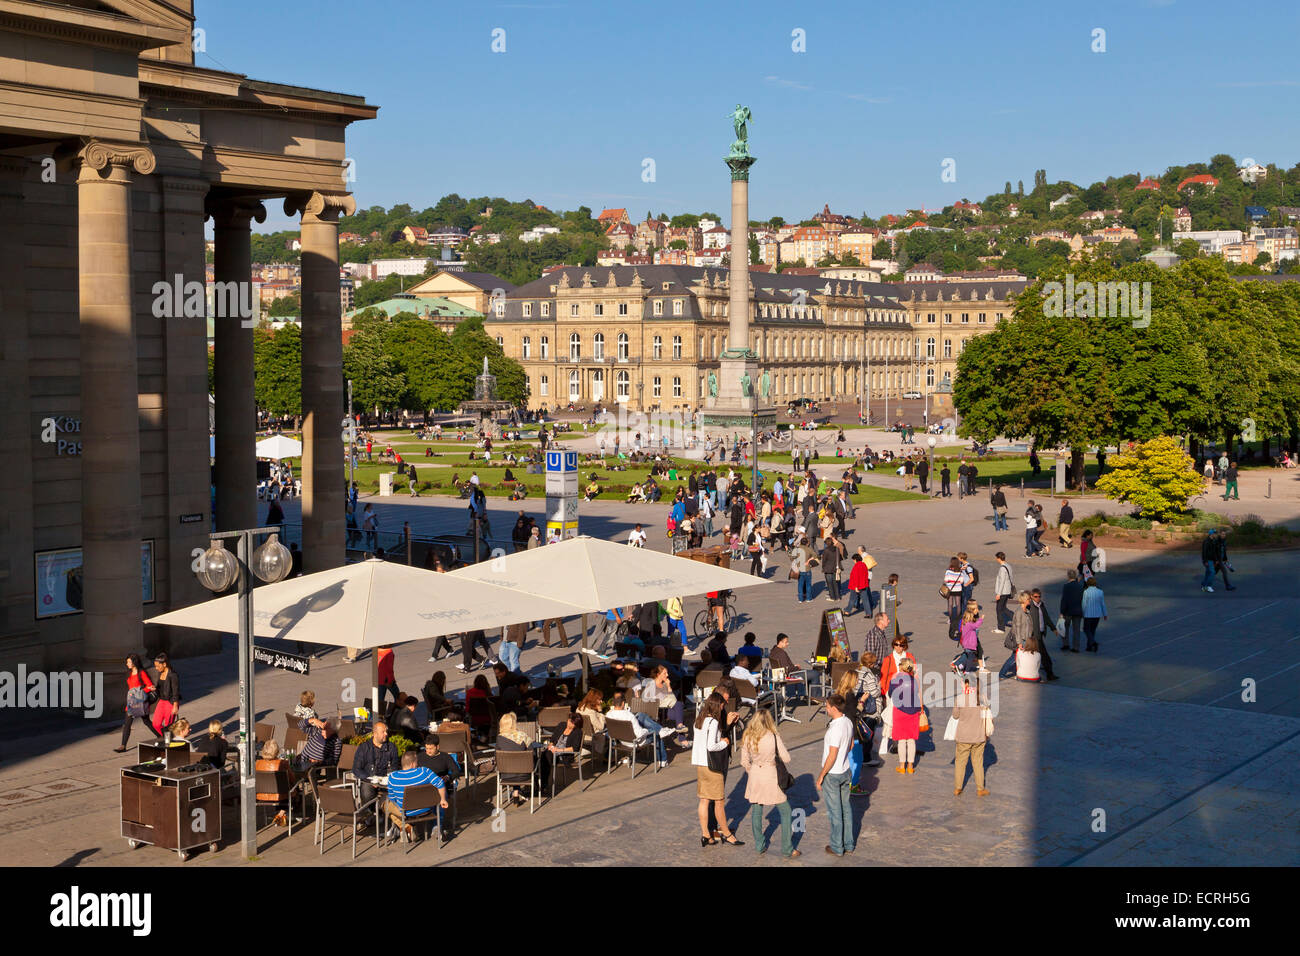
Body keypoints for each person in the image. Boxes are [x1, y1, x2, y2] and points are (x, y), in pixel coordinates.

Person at [740, 710, 800, 858]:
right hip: (770, 775)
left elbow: (744, 761)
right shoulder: (773, 736)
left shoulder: (748, 736)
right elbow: (786, 758)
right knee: (785, 811)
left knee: (756, 810)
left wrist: (752, 770)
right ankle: (787, 848)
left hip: (755, 774)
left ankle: (759, 845)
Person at [692, 692, 742, 846]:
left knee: (704, 800)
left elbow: (703, 742)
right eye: (721, 706)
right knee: (719, 801)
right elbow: (712, 746)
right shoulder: (713, 722)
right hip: (712, 766)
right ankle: (726, 833)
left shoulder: (699, 720)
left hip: (700, 764)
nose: (722, 708)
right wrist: (725, 742)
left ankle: (706, 834)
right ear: (716, 706)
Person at [816, 694, 855, 857]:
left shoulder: (835, 729)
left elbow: (832, 755)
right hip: (846, 770)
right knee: (846, 809)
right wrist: (842, 758)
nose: (826, 709)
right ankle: (849, 843)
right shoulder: (848, 722)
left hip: (832, 774)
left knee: (835, 812)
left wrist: (821, 776)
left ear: (833, 708)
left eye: (827, 706)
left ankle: (837, 846)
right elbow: (851, 744)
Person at [385, 751, 448, 844]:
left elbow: (393, 798)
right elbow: (440, 783)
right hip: (427, 809)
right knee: (441, 794)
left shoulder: (392, 777)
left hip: (406, 813)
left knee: (387, 805)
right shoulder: (424, 771)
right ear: (413, 763)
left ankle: (404, 828)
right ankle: (437, 826)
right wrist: (443, 799)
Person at [605, 693, 674, 768]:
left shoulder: (608, 715)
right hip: (634, 742)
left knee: (641, 715)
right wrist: (647, 730)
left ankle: (661, 730)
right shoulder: (629, 716)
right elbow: (639, 734)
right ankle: (663, 761)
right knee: (657, 734)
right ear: (623, 703)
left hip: (622, 741)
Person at [952, 676, 991, 796]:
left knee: (960, 762)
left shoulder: (960, 698)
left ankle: (958, 788)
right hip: (979, 736)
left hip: (963, 736)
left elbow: (955, 716)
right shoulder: (983, 698)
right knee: (978, 762)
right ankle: (980, 789)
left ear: (967, 684)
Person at [115, 654, 159, 752]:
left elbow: (150, 686)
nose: (127, 664)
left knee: (146, 721)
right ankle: (123, 746)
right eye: (127, 662)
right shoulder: (129, 673)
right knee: (127, 724)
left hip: (140, 702)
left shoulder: (141, 673)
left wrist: (140, 692)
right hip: (131, 702)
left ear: (134, 662)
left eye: (129, 662)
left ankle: (160, 736)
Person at [353, 720, 401, 807]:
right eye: (383, 732)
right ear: (375, 734)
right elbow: (356, 769)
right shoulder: (364, 747)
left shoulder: (391, 747)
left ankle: (385, 813)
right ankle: (371, 814)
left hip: (386, 780)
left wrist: (388, 778)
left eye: (386, 731)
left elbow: (395, 766)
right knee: (366, 792)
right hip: (369, 780)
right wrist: (370, 779)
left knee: (395, 792)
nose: (386, 734)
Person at [888, 659, 922, 773]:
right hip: (913, 710)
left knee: (902, 740)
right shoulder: (915, 679)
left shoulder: (896, 678)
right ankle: (911, 766)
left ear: (902, 667)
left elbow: (890, 693)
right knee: (911, 740)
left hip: (900, 711)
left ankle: (902, 766)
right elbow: (918, 694)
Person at [255, 740, 295, 826]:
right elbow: (292, 779)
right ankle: (281, 815)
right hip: (281, 795)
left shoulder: (257, 763)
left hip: (261, 795)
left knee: (283, 788)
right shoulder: (282, 763)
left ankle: (280, 815)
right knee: (295, 790)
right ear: (276, 751)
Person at [999, 591, 1037, 679]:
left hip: (1026, 638)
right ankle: (1002, 673)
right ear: (1024, 600)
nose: (1030, 600)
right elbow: (1018, 628)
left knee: (1017, 657)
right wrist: (1019, 642)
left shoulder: (1026, 611)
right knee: (1014, 658)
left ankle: (1019, 673)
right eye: (1028, 599)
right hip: (1021, 639)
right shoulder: (1019, 612)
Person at [150, 652, 180, 735]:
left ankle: (168, 740)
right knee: (155, 724)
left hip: (170, 702)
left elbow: (176, 692)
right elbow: (160, 687)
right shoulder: (160, 673)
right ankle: (166, 737)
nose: (156, 668)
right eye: (155, 666)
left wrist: (175, 706)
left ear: (164, 664)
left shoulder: (173, 675)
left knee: (168, 725)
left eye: (157, 666)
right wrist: (155, 688)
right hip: (162, 701)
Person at [1059, 569, 1086, 651]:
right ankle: (1076, 647)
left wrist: (1061, 611)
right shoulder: (1080, 586)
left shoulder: (1066, 586)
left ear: (1068, 576)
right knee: (1076, 630)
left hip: (1068, 611)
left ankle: (1066, 644)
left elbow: (1064, 600)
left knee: (1064, 628)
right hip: (1078, 611)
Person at [943, 557, 967, 642]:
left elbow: (945, 580)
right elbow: (961, 581)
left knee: (950, 604)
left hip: (950, 589)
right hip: (958, 589)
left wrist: (950, 581)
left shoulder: (948, 571)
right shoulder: (960, 571)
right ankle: (958, 619)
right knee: (958, 605)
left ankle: (950, 619)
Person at [1081, 577, 1107, 652]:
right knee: (1092, 630)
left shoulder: (1086, 592)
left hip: (1088, 614)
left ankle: (1092, 642)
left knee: (1086, 629)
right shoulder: (1100, 592)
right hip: (1097, 614)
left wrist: (1083, 613)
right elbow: (1102, 604)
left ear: (1088, 584)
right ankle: (1089, 646)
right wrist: (1105, 614)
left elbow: (1084, 604)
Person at [992, 552, 1015, 633]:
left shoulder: (1002, 568)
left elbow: (1002, 582)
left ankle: (1001, 628)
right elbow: (1011, 578)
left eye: (996, 558)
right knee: (1003, 608)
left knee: (999, 609)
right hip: (1007, 590)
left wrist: (999, 593)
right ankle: (1015, 619)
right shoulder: (1008, 566)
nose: (996, 559)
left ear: (999, 558)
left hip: (1002, 592)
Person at [820, 531, 846, 600]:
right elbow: (839, 557)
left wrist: (823, 567)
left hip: (828, 569)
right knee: (835, 583)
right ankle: (838, 596)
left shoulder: (826, 550)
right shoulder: (836, 548)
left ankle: (832, 597)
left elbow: (824, 560)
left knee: (830, 584)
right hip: (835, 568)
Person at [791, 536, 815, 604]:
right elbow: (815, 556)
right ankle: (809, 598)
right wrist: (808, 560)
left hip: (799, 570)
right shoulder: (809, 549)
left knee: (800, 585)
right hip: (807, 569)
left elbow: (792, 558)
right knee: (808, 585)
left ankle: (800, 599)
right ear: (807, 543)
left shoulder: (797, 549)